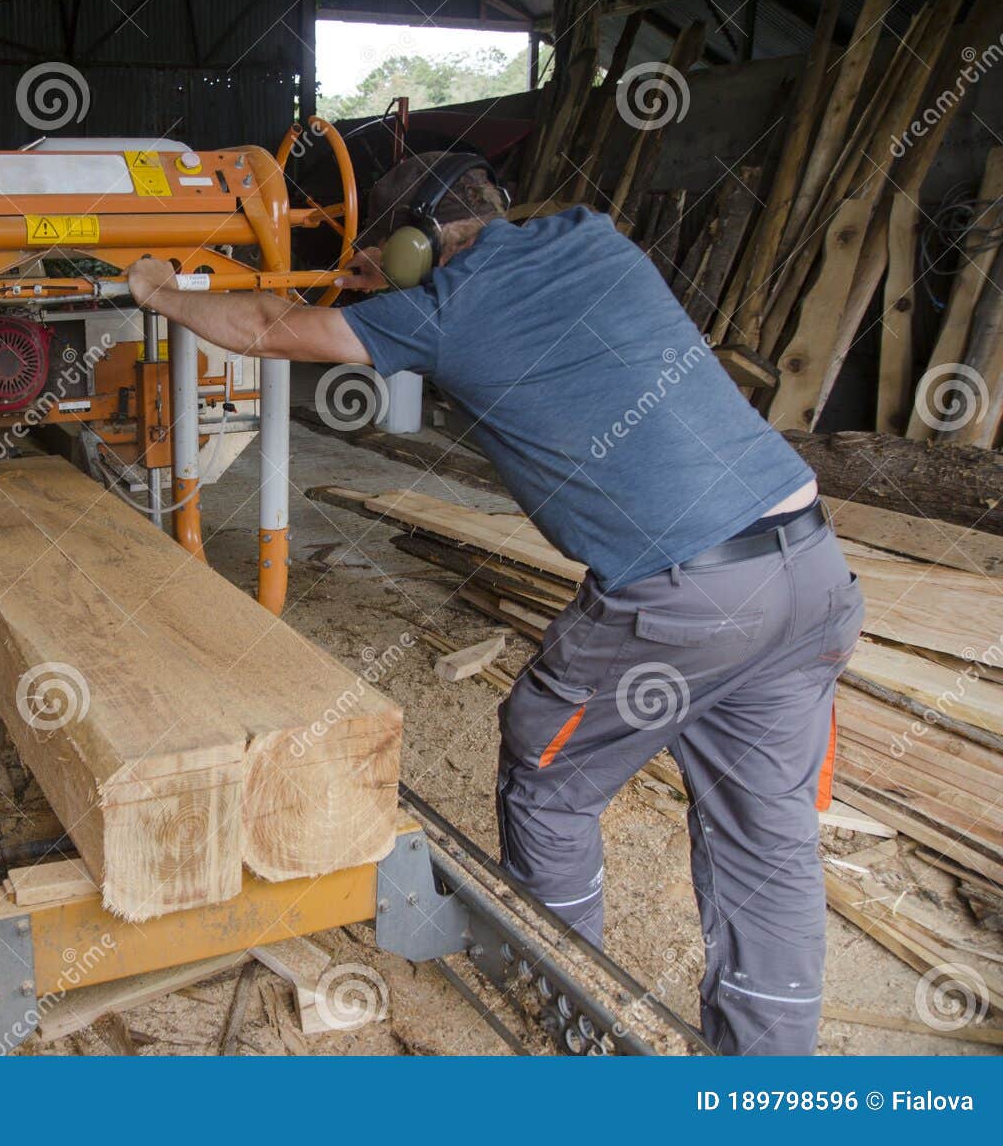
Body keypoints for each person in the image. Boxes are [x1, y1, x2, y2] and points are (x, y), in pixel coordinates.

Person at [127, 151, 864, 1056]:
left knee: (549, 777)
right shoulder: (593, 238)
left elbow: (272, 325)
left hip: (688, 595)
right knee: (768, 835)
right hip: (812, 567)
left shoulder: (444, 309)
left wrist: (163, 293)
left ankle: (564, 1018)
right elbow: (494, 293)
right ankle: (768, 1084)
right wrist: (382, 285)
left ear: (400, 249)